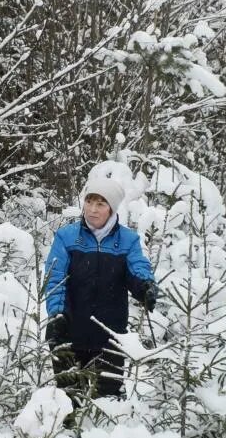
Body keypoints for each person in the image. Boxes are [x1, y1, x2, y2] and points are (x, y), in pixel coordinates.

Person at [43, 170, 159, 407]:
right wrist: (57, 314)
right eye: (89, 201)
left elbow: (137, 267)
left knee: (108, 405)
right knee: (69, 403)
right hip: (69, 330)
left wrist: (145, 286)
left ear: (112, 208)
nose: (92, 210)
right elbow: (55, 279)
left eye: (100, 204)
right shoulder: (67, 237)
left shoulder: (127, 240)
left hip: (110, 334)